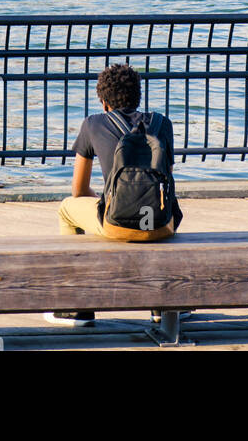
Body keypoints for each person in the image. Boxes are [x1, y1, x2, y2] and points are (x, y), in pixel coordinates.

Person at [45, 63, 182, 327]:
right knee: (158, 206)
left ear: (103, 101)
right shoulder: (162, 123)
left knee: (66, 208)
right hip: (163, 224)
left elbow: (79, 190)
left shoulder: (93, 124)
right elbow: (168, 181)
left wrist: (108, 199)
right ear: (138, 95)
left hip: (117, 223)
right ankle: (162, 306)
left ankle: (77, 306)